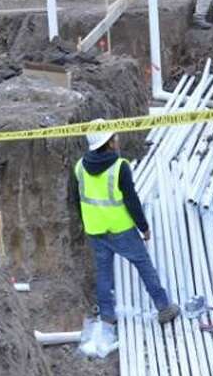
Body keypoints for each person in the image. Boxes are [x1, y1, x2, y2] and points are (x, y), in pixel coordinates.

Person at [72, 130, 180, 329]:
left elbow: (77, 200)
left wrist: (87, 222)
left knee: (104, 272)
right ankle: (164, 308)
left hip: (96, 230)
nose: (117, 139)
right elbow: (131, 200)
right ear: (109, 143)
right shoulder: (119, 167)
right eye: (114, 137)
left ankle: (106, 315)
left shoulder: (79, 167)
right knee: (143, 264)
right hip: (121, 229)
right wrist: (144, 227)